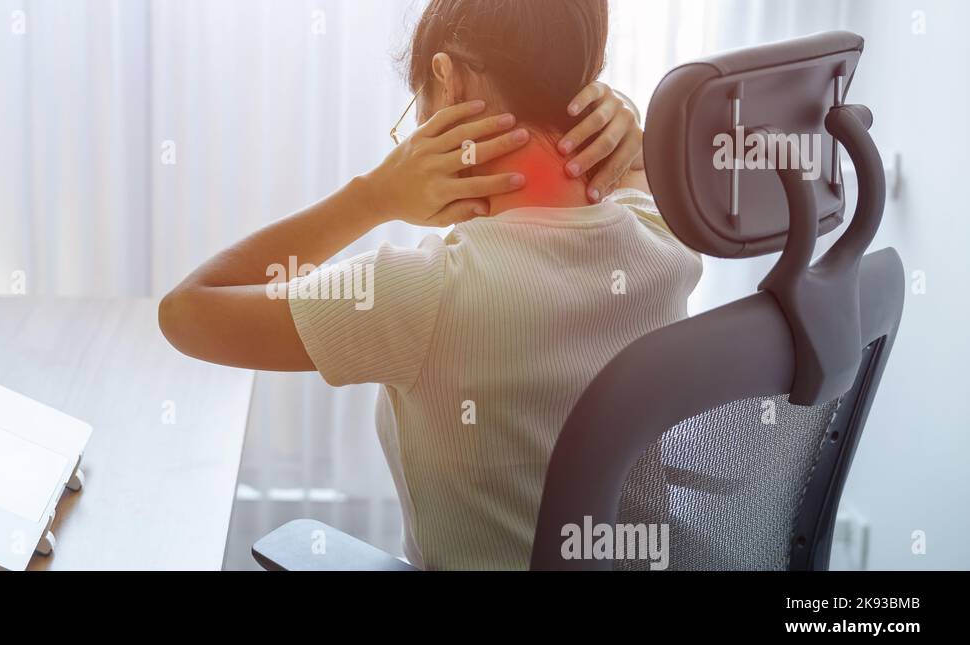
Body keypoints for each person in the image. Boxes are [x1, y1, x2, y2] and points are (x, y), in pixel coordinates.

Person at [159, 0, 702, 569]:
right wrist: (625, 124)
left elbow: (186, 312)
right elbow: (637, 168)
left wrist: (373, 195)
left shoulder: (423, 292)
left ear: (450, 82)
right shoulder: (665, 241)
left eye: (417, 114)